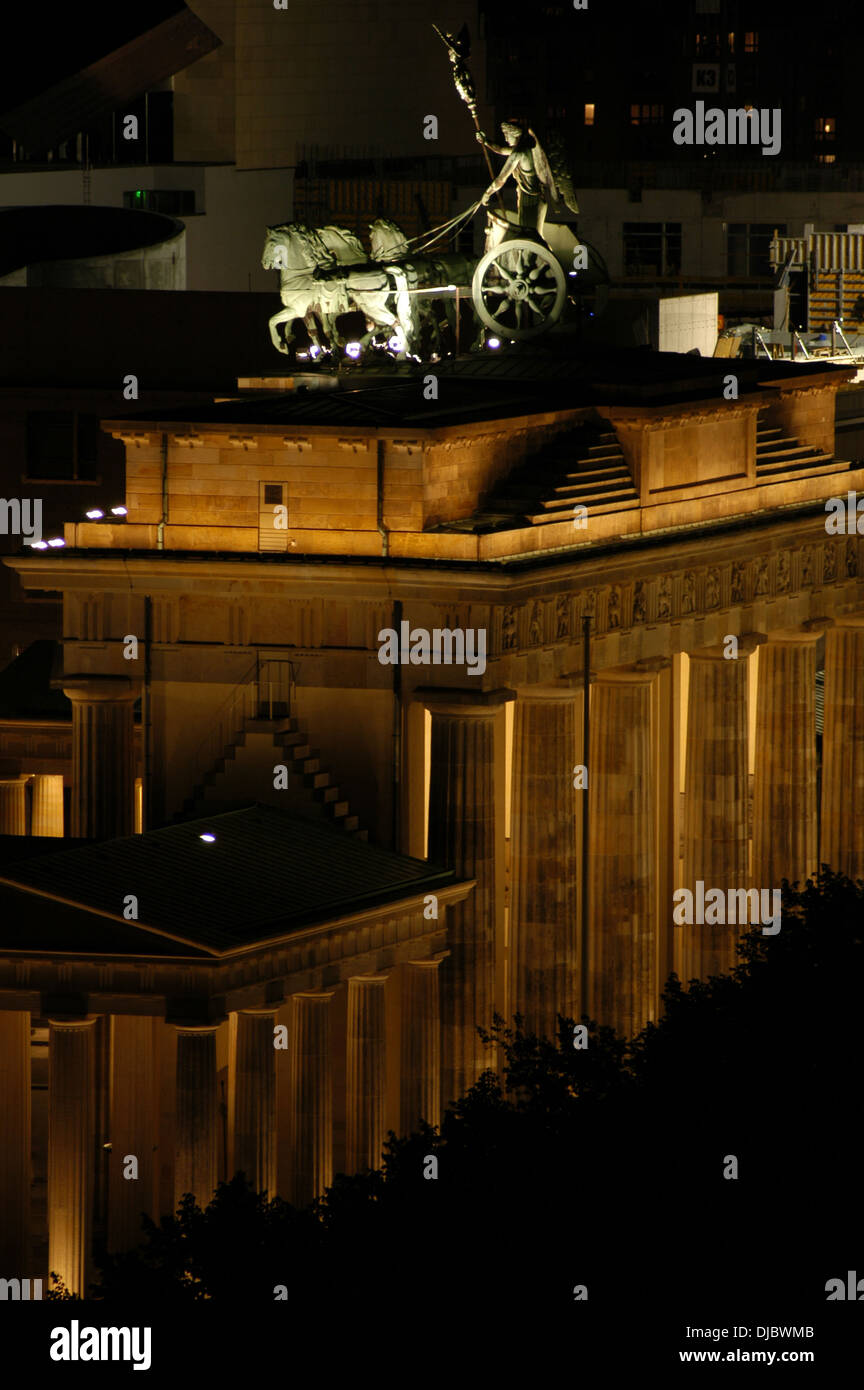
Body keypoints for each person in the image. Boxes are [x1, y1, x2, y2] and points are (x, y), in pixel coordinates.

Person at [476, 120, 558, 236]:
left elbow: (501, 179)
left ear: (514, 134)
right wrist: (486, 141)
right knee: (533, 238)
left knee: (530, 239)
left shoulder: (518, 153)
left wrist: (487, 193)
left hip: (530, 202)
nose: (505, 139)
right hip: (534, 199)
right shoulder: (526, 149)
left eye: (507, 135)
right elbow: (500, 149)